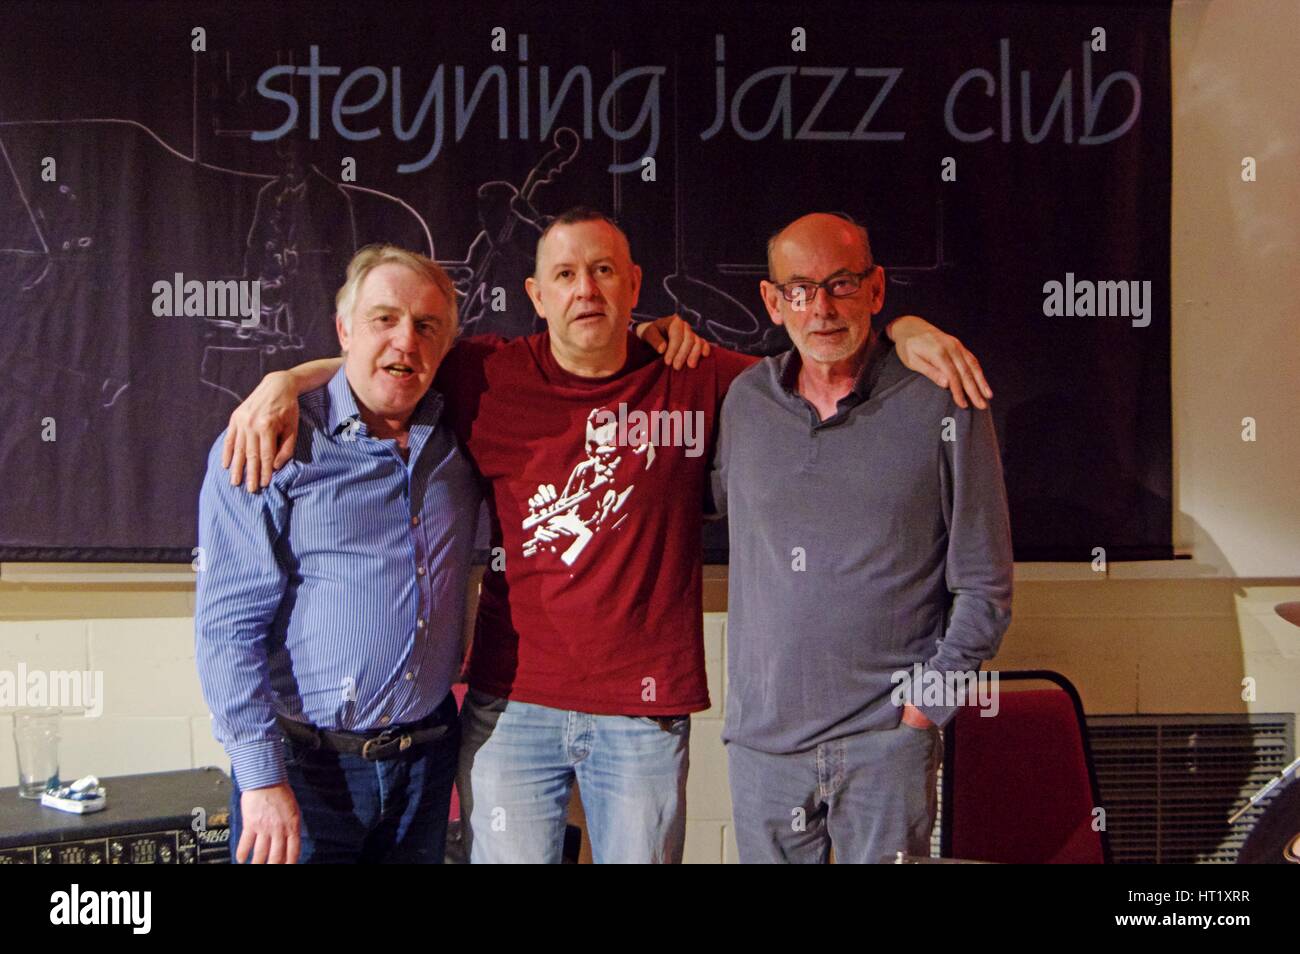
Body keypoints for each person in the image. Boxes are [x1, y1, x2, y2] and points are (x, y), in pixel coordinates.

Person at [221, 207, 989, 863]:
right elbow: (385, 365)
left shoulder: (707, 377)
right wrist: (283, 382)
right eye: (564, 274)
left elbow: (823, 358)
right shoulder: (481, 373)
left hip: (644, 717)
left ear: (635, 285)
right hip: (512, 706)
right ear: (536, 294)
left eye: (604, 271)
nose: (585, 288)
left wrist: (906, 334)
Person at [712, 212, 1013, 864]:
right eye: (799, 289)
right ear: (773, 301)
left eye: (841, 284)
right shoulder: (744, 403)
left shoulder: (944, 398)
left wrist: (921, 715)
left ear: (877, 290)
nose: (821, 308)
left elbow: (985, 585)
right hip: (764, 750)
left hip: (886, 744)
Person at [195, 245, 477, 863]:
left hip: (426, 764)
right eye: (384, 319)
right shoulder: (269, 441)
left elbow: (575, 356)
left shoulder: (463, 432)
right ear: (344, 329)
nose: (406, 340)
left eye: (427, 325)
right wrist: (262, 781)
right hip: (307, 771)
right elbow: (225, 630)